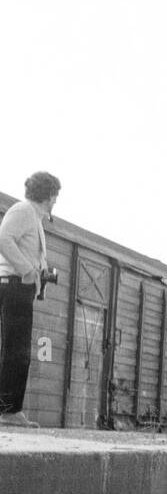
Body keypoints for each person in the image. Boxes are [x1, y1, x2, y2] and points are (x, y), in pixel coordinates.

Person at [0, 172, 61, 426]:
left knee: (17, 351)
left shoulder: (33, 217)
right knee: (16, 351)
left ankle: (9, 409)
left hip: (19, 287)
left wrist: (37, 273)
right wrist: (27, 269)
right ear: (49, 196)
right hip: (13, 285)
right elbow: (3, 238)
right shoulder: (24, 211)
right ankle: (8, 412)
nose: (56, 201)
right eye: (55, 195)